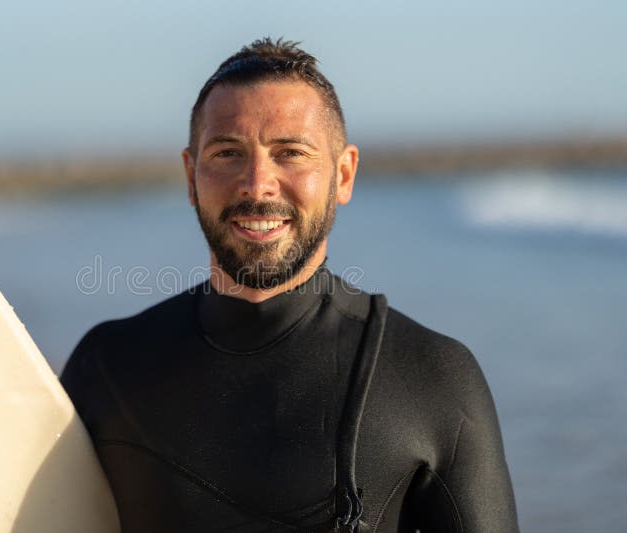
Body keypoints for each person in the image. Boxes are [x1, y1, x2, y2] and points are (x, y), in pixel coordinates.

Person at [61, 38, 519, 532]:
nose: (257, 184)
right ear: (191, 176)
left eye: (291, 153)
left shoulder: (433, 377)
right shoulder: (108, 367)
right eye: (228, 152)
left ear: (342, 176)